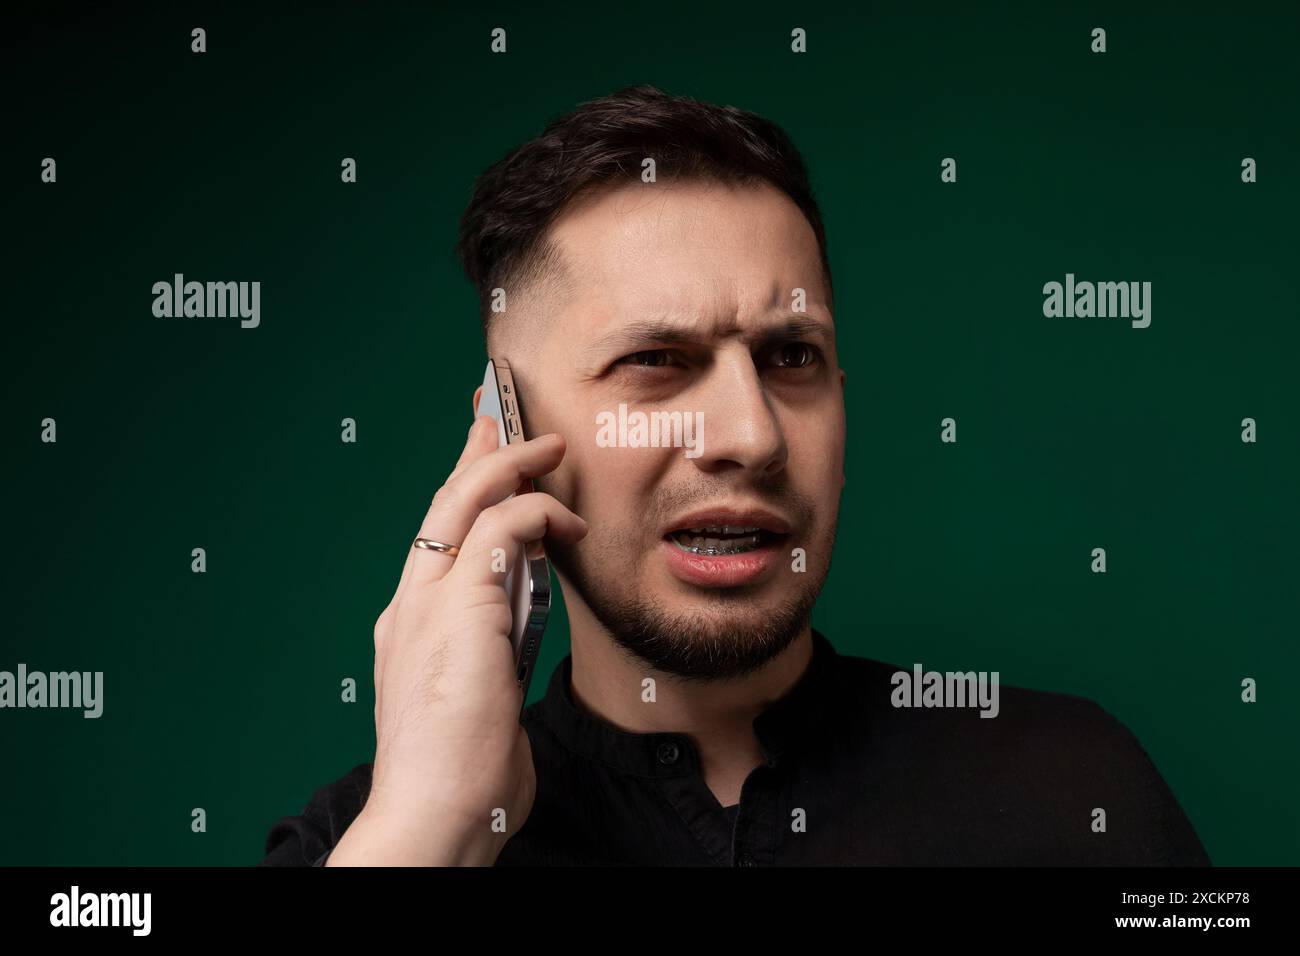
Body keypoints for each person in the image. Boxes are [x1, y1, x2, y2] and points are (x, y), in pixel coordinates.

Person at [260, 85, 1209, 866]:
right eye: (656, 362)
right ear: (505, 431)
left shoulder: (1074, 789)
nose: (752, 436)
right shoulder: (368, 840)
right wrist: (431, 827)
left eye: (790, 358)